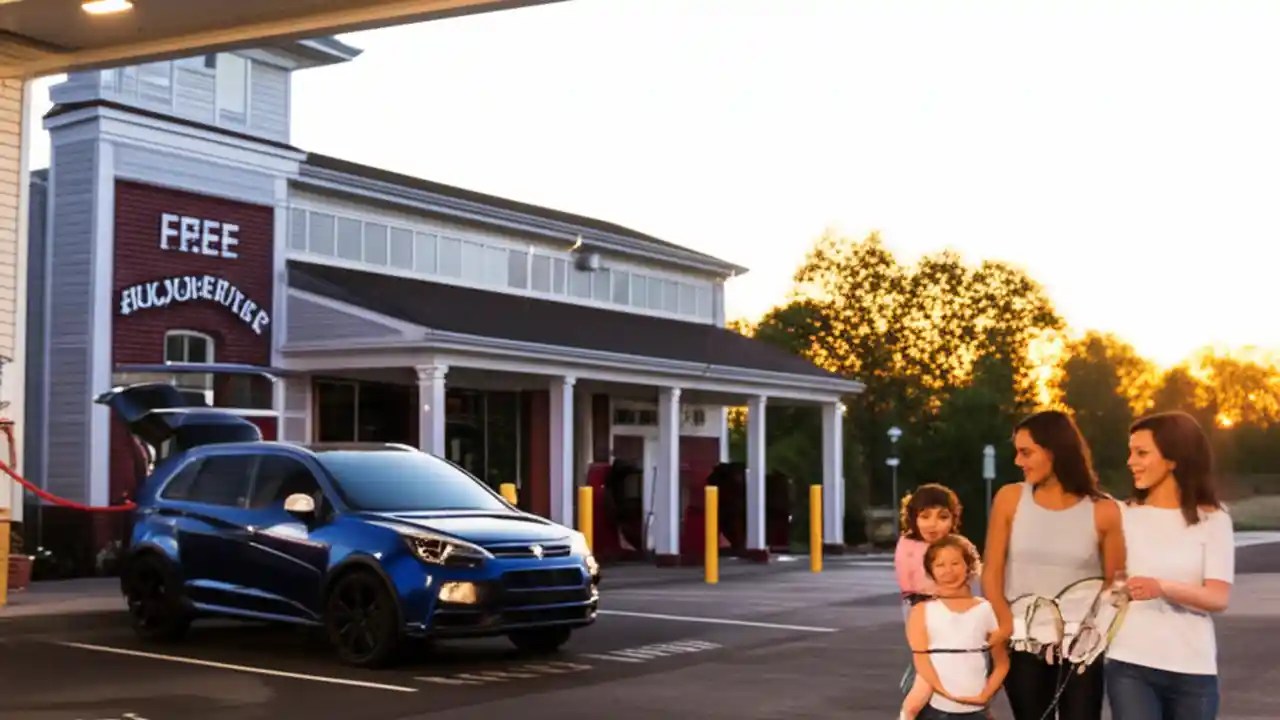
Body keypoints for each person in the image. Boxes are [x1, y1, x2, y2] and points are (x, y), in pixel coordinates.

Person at [981, 410, 1125, 720]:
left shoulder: (1104, 510)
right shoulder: (1009, 499)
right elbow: (991, 571)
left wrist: (1093, 636)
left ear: (1054, 451)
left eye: (1026, 452)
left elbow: (1117, 584)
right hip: (1022, 643)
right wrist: (1005, 626)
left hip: (1081, 649)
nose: (1019, 461)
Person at [1105, 411, 1234, 719]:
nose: (1130, 461)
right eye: (1130, 452)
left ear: (1174, 459)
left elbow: (1218, 598)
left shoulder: (1214, 519)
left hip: (1194, 669)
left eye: (1141, 453)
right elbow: (1113, 587)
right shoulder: (1122, 515)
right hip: (1130, 664)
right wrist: (1118, 589)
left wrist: (1162, 587)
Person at [906, 534, 1011, 719]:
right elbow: (921, 660)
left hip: (977, 710)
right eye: (940, 565)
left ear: (968, 566)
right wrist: (945, 693)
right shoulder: (921, 611)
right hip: (937, 708)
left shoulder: (985, 609)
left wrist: (985, 695)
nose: (949, 571)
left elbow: (1001, 663)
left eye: (955, 563)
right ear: (930, 571)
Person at [897, 484, 963, 719]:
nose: (933, 525)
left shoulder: (954, 546)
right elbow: (918, 585)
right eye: (924, 517)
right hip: (923, 611)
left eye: (942, 517)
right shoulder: (910, 545)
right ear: (913, 517)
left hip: (952, 615)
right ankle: (908, 712)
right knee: (926, 675)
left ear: (953, 519)